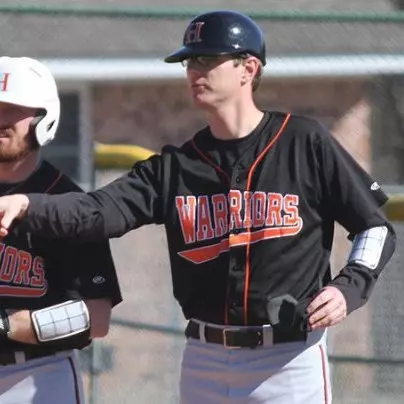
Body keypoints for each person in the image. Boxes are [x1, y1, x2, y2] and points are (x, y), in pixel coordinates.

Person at [0, 11, 396, 404]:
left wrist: (349, 287)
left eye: (207, 59)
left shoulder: (303, 142)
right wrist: (28, 205)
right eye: (190, 61)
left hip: (288, 359)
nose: (194, 70)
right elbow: (96, 212)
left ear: (248, 68)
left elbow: (375, 228)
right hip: (205, 358)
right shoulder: (177, 167)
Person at [0, 56, 122, 404]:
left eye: (14, 108)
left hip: (38, 377)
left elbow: (96, 317)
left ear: (44, 117)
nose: (1, 119)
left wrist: (6, 325)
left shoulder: (68, 203)